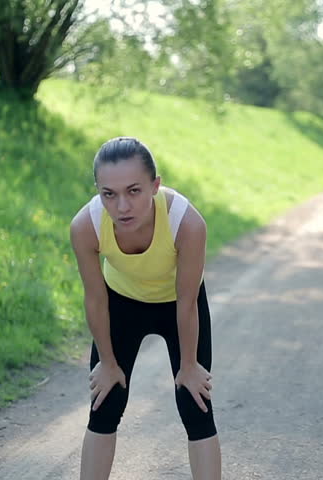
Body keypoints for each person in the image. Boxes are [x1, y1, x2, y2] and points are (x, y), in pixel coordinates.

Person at [69, 137, 221, 479]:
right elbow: (95, 299)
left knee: (195, 403)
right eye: (109, 194)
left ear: (155, 185)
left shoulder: (187, 223)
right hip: (121, 303)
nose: (122, 206)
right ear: (98, 192)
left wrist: (189, 365)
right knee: (104, 404)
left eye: (134, 191)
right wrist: (107, 363)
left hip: (177, 305)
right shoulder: (86, 227)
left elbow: (187, 302)